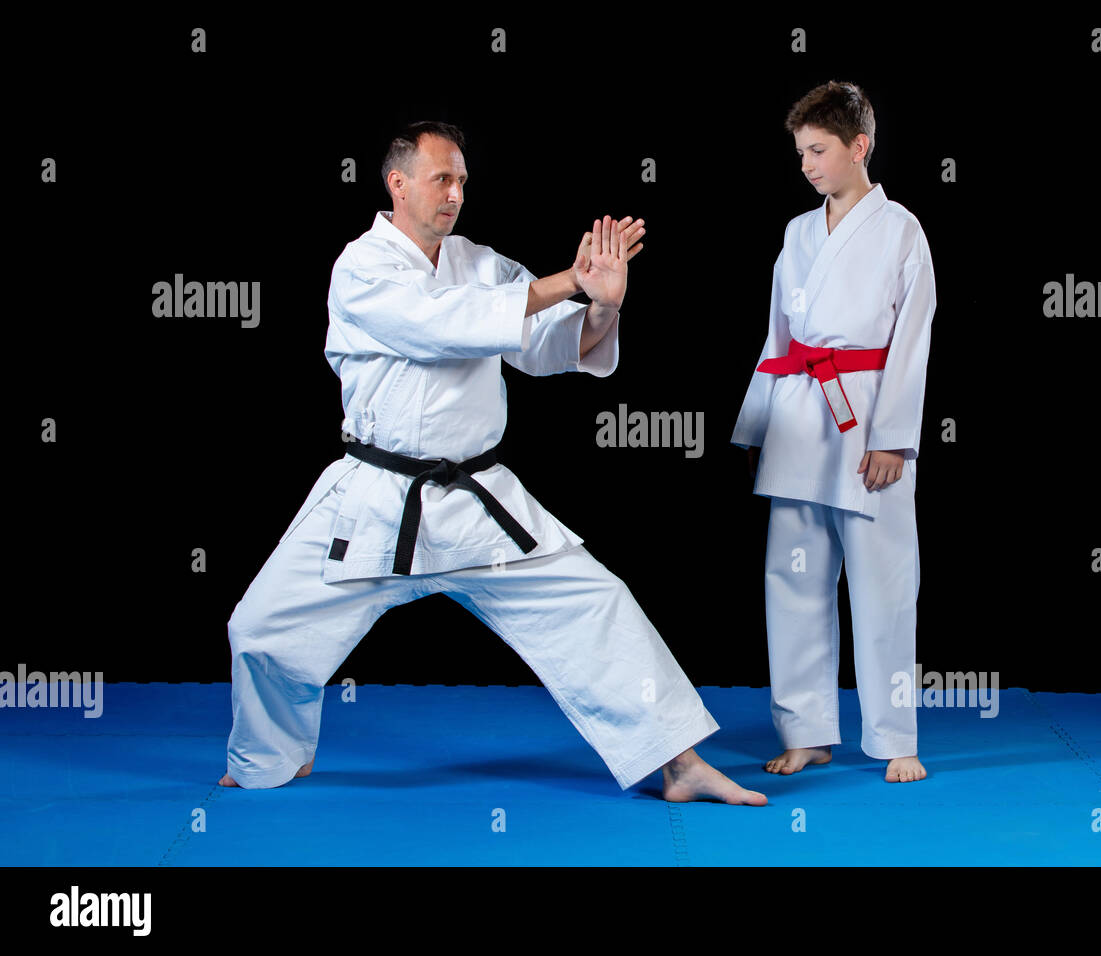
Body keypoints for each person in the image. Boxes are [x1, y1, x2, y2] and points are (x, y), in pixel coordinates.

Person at [220, 120, 765, 806]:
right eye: (441, 179)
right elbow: (443, 323)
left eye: (462, 182)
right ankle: (270, 757)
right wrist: (570, 278)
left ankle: (679, 764)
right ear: (397, 182)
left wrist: (602, 304)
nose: (455, 194)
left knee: (598, 604)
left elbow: (544, 345)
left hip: (475, 502)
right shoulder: (361, 266)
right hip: (375, 501)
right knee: (261, 628)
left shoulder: (479, 262)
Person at [730, 82, 936, 783]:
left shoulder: (902, 229)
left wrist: (893, 437)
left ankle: (894, 737)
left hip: (866, 413)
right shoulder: (796, 232)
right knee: (792, 579)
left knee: (883, 582)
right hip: (797, 411)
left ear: (860, 146)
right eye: (800, 153)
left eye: (819, 150)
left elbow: (911, 340)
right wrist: (759, 419)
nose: (808, 164)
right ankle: (808, 730)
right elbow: (778, 334)